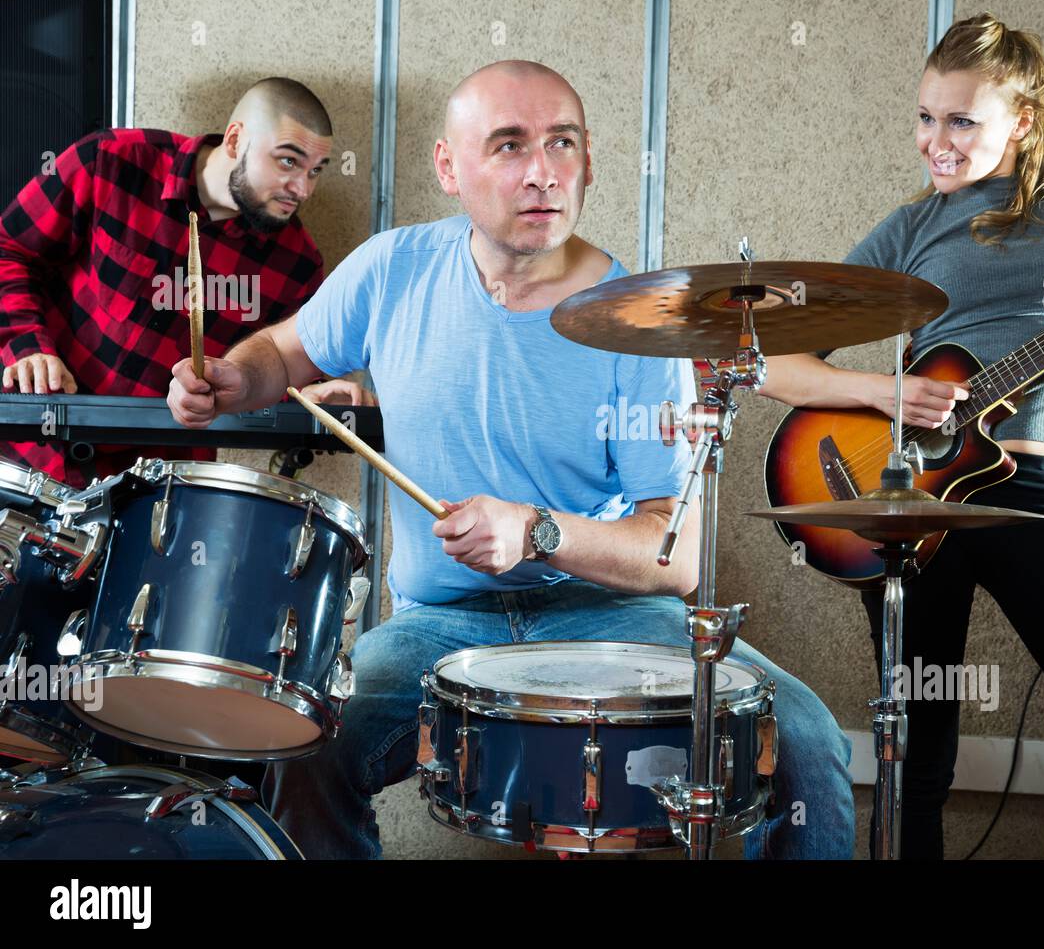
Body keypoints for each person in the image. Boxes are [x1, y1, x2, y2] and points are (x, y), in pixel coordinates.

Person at [167, 60, 855, 859]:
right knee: (303, 741)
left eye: (562, 144)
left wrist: (536, 532)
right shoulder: (393, 270)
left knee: (807, 743)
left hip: (611, 616)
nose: (542, 173)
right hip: (438, 623)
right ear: (448, 168)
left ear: (590, 160)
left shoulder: (637, 319)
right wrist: (231, 379)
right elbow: (285, 353)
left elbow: (674, 556)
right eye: (509, 146)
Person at [758, 14, 1044, 859]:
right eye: (926, 117)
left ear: (1023, 121)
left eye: (961, 121)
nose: (936, 142)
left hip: (1040, 495)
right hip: (914, 500)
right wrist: (886, 393)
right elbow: (775, 362)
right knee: (915, 751)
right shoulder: (912, 228)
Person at [0, 77, 371, 488]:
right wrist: (27, 349)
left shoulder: (297, 263)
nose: (302, 189)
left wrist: (312, 394)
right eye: (288, 161)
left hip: (151, 499)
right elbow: (10, 250)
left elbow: (275, 369)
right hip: (26, 449)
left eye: (315, 171)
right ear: (234, 141)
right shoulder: (112, 161)